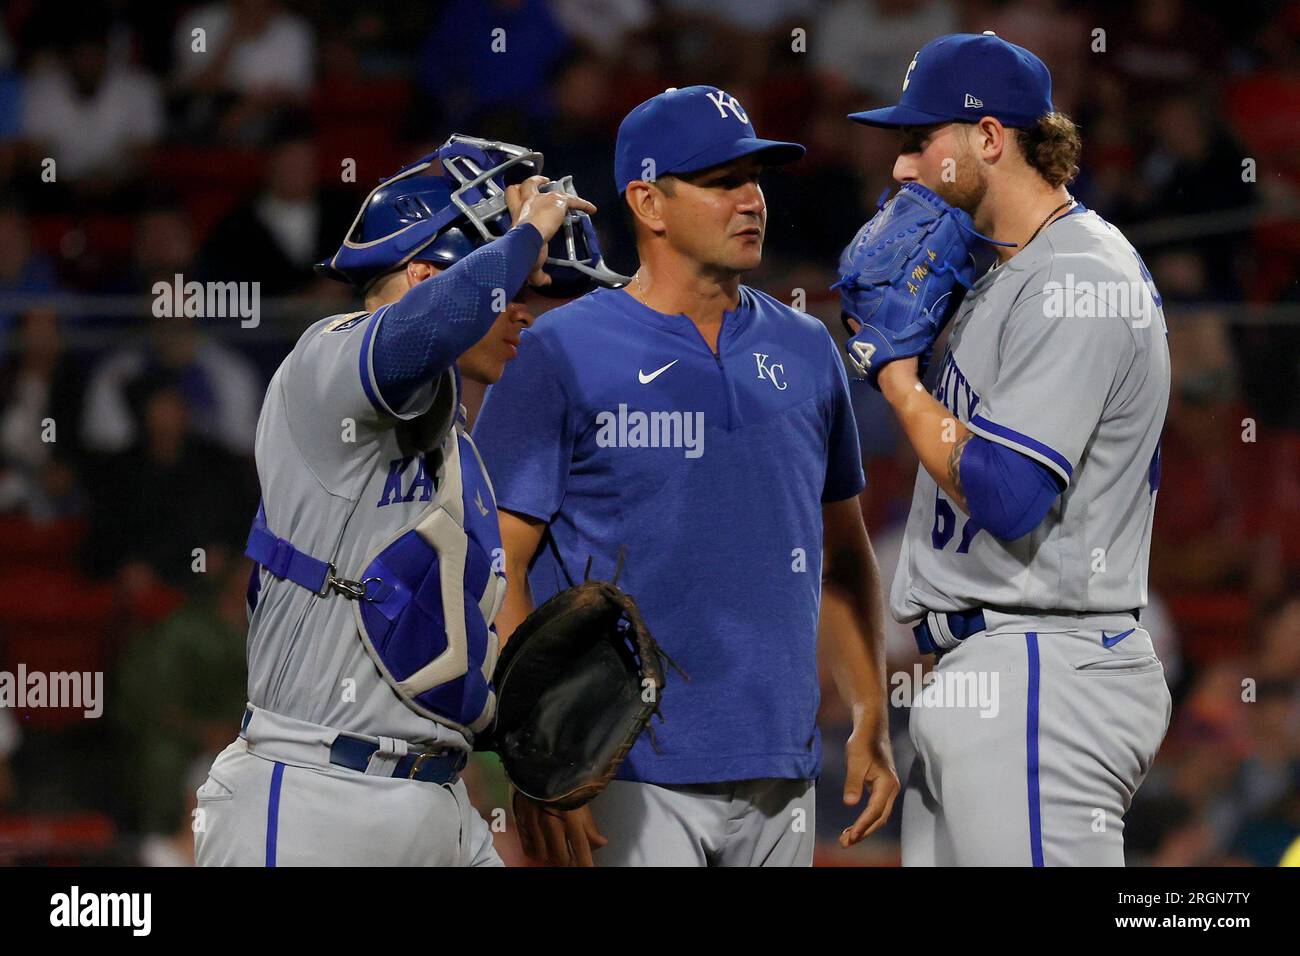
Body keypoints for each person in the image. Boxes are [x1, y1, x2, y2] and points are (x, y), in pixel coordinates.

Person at [473, 86, 899, 867]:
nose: (751, 200)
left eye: (755, 179)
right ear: (647, 201)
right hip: (622, 768)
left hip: (781, 765)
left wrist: (870, 709)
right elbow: (502, 564)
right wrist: (537, 760)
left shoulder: (809, 351)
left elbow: (842, 556)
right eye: (719, 180)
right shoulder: (557, 351)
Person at [194, 136, 616, 866]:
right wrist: (524, 234)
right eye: (515, 293)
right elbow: (417, 335)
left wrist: (528, 730)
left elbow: (426, 653)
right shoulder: (326, 361)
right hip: (312, 794)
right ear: (425, 273)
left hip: (438, 802)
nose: (526, 314)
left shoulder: (464, 458)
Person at [842, 32, 1172, 865]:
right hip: (992, 667)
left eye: (921, 141)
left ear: (990, 139)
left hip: (1044, 670)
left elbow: (1006, 492)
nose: (902, 168)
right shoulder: (1004, 277)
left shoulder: (1081, 278)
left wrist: (895, 375)